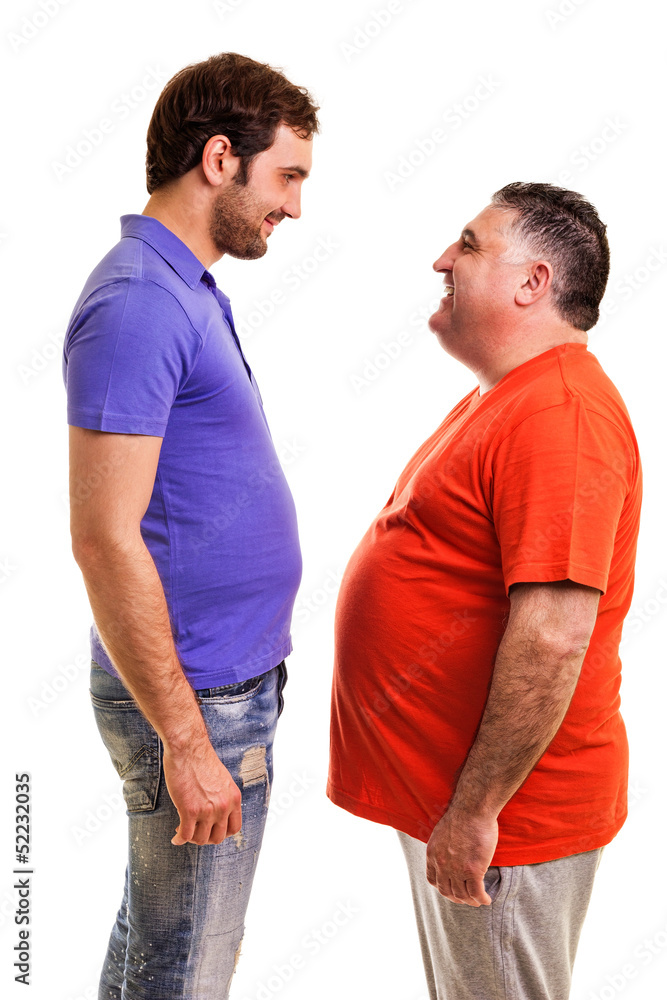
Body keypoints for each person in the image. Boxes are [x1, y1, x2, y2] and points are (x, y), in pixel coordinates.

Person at [327, 182, 642, 1000]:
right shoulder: (511, 398)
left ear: (531, 282)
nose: (442, 259)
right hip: (471, 806)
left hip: (508, 821)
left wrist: (473, 815)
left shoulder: (559, 415)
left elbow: (551, 637)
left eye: (466, 245)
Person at [62, 52, 318, 999]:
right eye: (286, 175)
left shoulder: (181, 284)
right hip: (196, 700)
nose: (292, 205)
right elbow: (101, 536)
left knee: (156, 941)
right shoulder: (137, 303)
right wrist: (185, 742)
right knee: (186, 966)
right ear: (220, 158)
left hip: (218, 687)